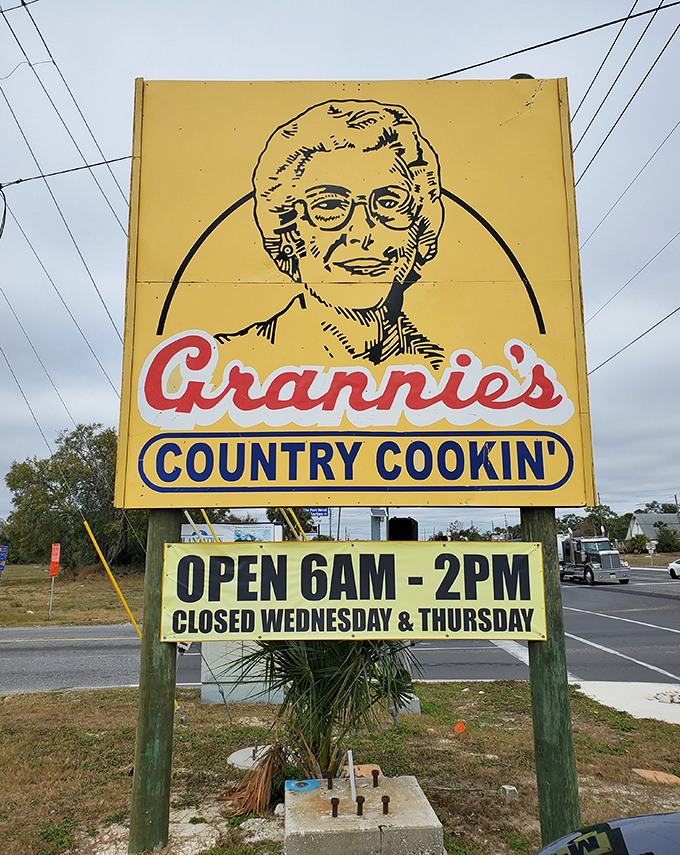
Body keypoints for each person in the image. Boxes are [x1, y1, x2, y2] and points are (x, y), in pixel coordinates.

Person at [214, 99, 446, 369]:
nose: (362, 233)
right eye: (329, 205)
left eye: (389, 202)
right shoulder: (227, 367)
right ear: (289, 234)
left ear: (419, 228)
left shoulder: (450, 370)